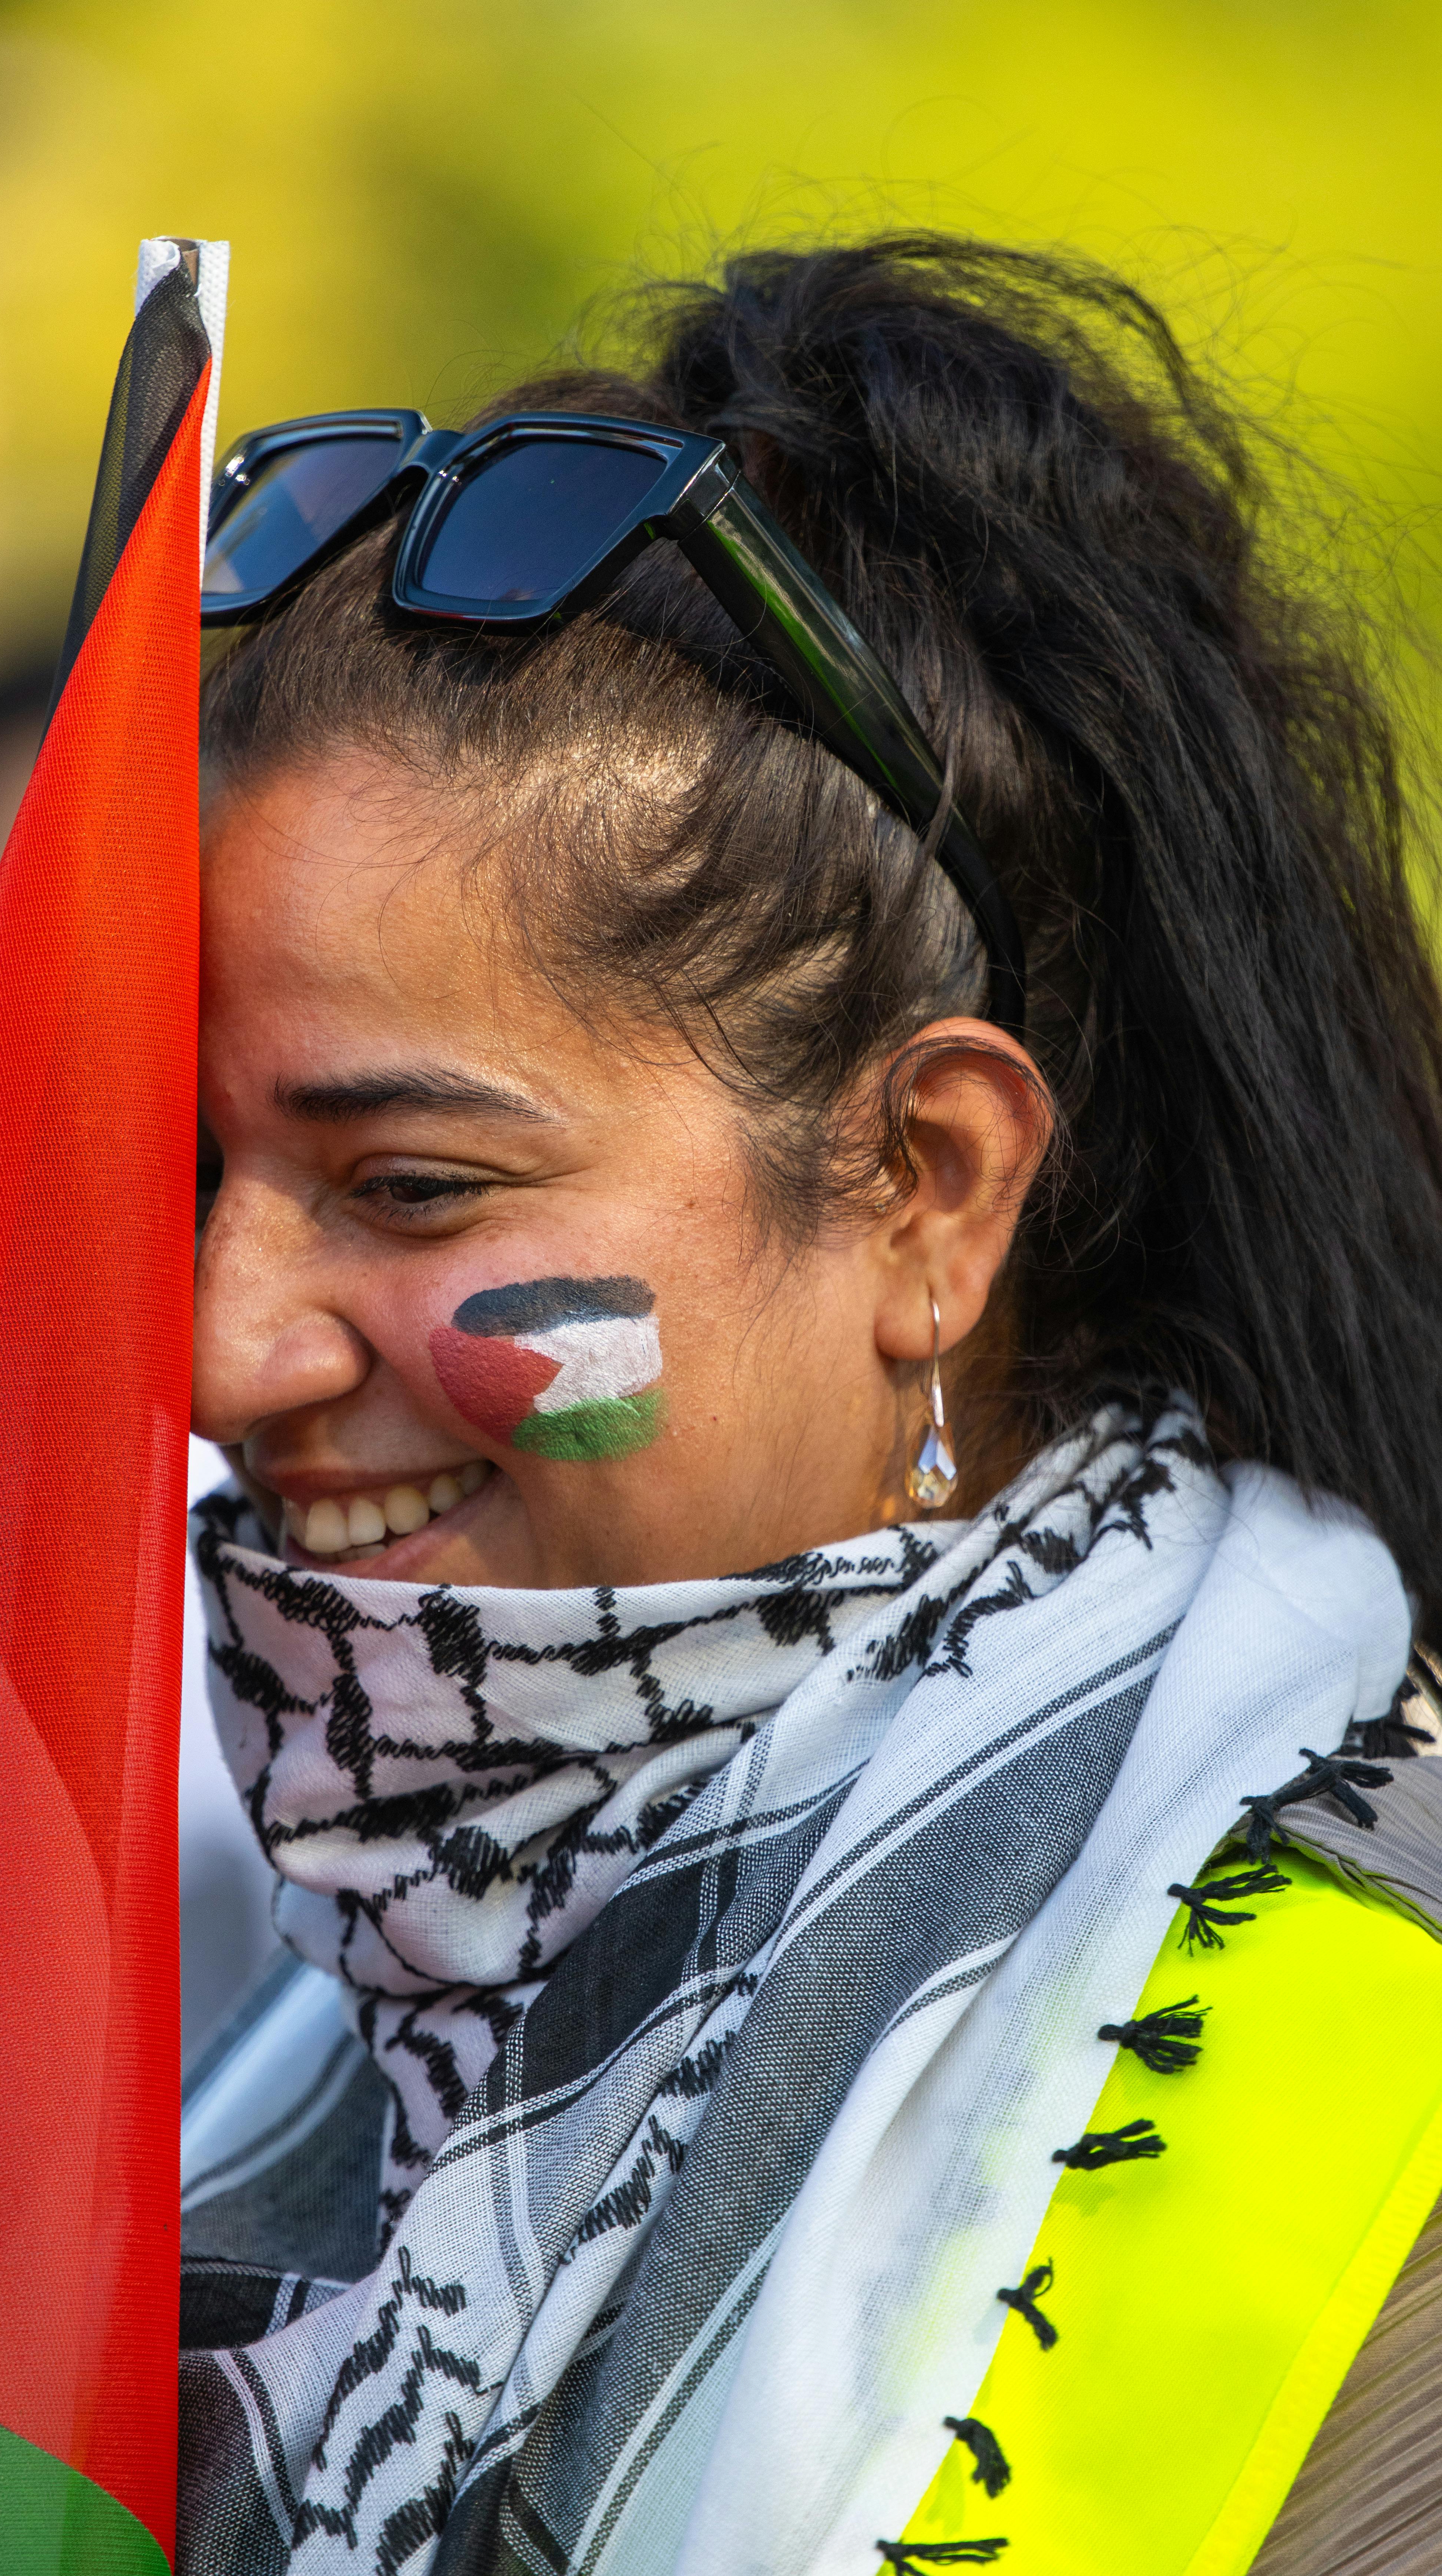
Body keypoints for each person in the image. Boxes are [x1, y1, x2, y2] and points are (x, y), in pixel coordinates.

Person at [176, 236, 1442, 2576]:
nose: (219, 1351)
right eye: (189, 1176)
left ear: (928, 1192)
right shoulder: (241, 2028)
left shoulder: (1401, 2106)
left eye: (414, 1184)